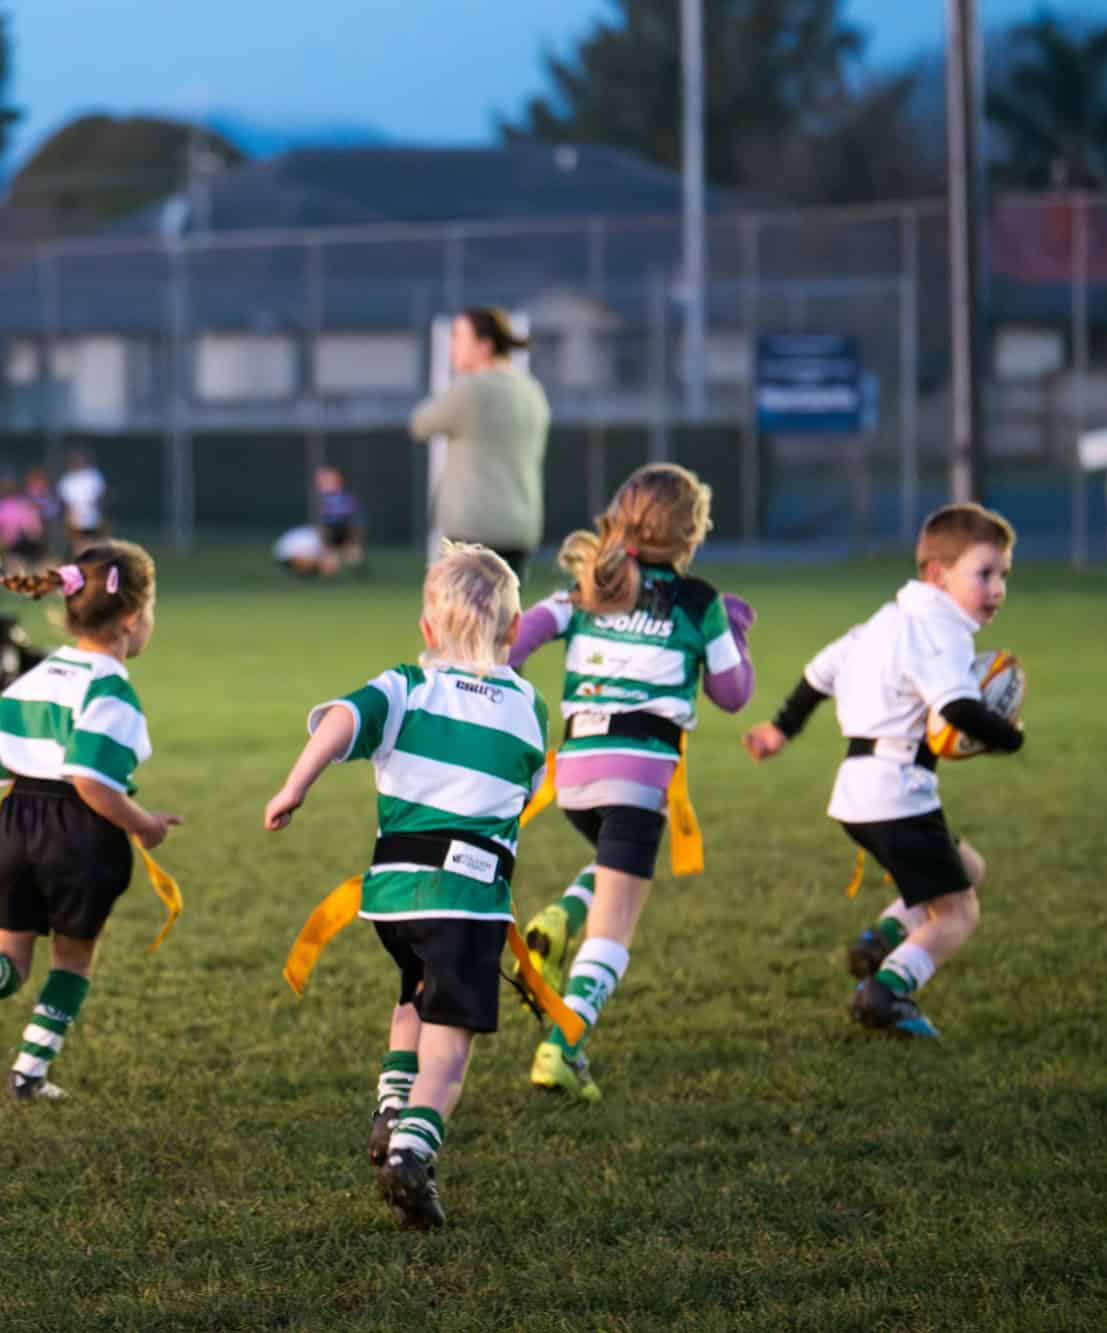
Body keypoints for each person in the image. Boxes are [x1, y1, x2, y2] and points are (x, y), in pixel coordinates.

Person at [263, 542, 544, 1230]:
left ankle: (392, 1104)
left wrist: (296, 784)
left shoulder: (406, 686)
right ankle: (412, 1149)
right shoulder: (529, 704)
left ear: (427, 632)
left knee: (414, 995)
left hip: (393, 894)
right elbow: (525, 788)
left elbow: (340, 722)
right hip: (468, 897)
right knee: (450, 1048)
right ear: (513, 633)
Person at [505, 463, 756, 1103]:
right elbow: (732, 695)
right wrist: (736, 631)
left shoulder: (589, 587)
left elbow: (513, 642)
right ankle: (562, 1048)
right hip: (640, 779)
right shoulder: (699, 602)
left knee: (611, 868)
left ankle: (559, 918)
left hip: (577, 778)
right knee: (615, 933)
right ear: (691, 533)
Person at [744, 504, 1021, 1039]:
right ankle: (887, 991)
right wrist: (1009, 736)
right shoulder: (941, 628)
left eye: (1003, 575)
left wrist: (781, 729)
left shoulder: (885, 620)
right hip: (899, 792)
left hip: (855, 794)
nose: (997, 589)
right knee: (959, 913)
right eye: (984, 574)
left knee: (970, 869)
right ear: (939, 576)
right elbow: (960, 709)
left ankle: (881, 940)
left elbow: (817, 674)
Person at [0, 543, 179, 1102]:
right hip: (80, 832)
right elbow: (89, 778)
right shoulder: (112, 691)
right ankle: (28, 1073)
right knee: (73, 958)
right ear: (132, 620)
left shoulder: (32, 679)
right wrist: (143, 825)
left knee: (8, 961)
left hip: (16, 820)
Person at [407, 307, 549, 571]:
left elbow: (420, 423)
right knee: (505, 609)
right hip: (521, 526)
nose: (453, 347)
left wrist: (456, 386)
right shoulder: (532, 391)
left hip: (472, 526)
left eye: (459, 337)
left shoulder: (471, 389)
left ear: (483, 346)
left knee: (463, 612)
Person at [314, 464, 365, 575]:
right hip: (332, 528)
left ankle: (360, 574)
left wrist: (355, 528)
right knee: (331, 555)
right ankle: (329, 574)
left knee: (351, 553)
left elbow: (354, 514)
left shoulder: (345, 497)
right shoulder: (326, 497)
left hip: (344, 526)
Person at [56, 449, 107, 549]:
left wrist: (99, 511)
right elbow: (65, 502)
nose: (78, 461)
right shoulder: (67, 479)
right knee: (78, 544)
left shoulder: (94, 475)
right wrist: (69, 516)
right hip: (75, 517)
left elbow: (100, 496)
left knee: (94, 543)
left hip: (93, 516)